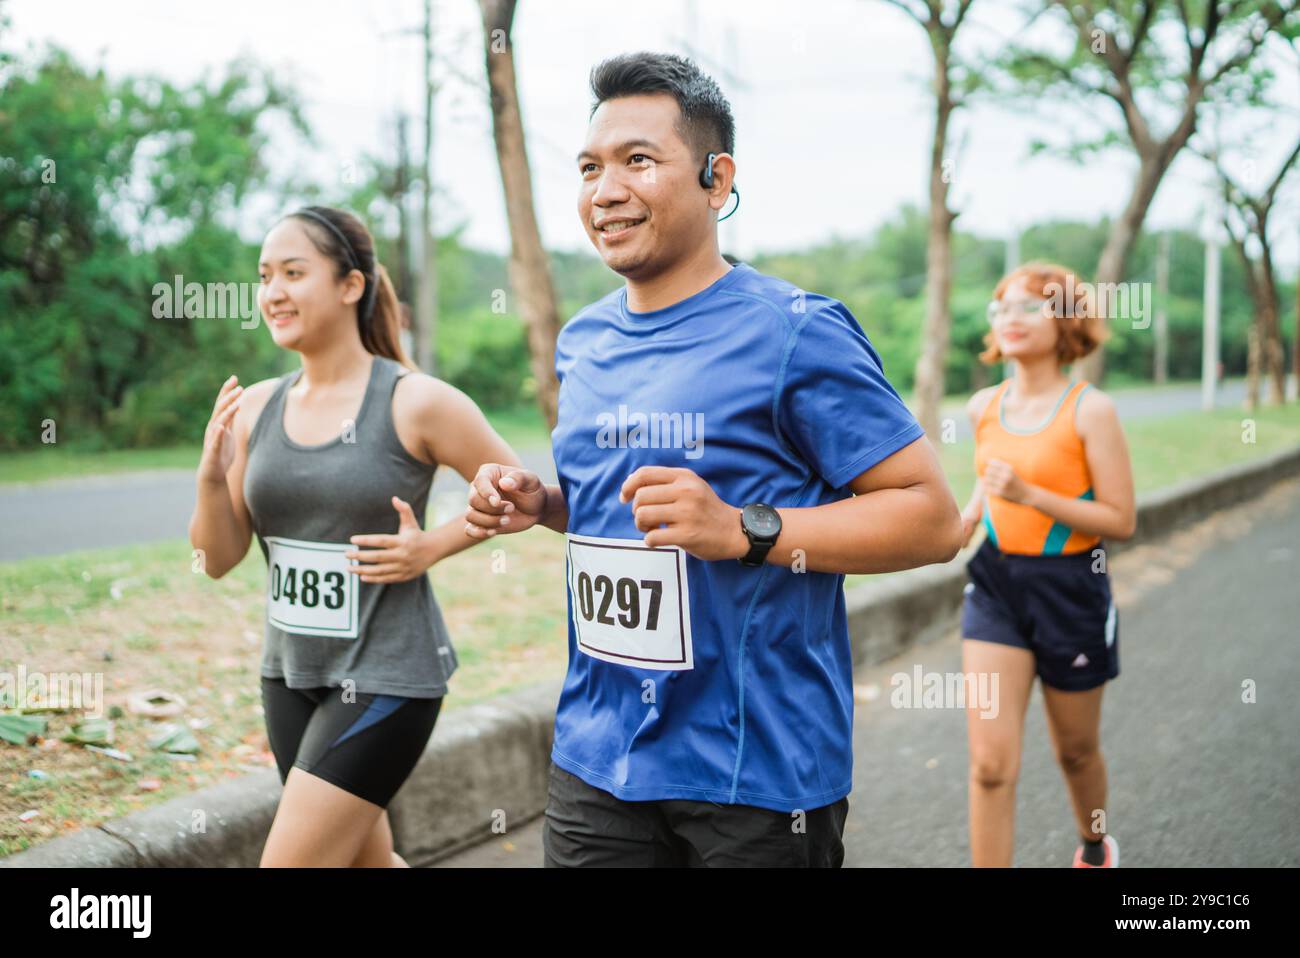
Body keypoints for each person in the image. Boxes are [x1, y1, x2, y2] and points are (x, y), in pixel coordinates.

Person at [464, 52, 963, 867]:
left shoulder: (795, 331)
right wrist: (546, 505)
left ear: (714, 176)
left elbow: (932, 521)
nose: (606, 190)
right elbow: (628, 519)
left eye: (638, 160)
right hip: (597, 759)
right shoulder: (582, 341)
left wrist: (743, 529)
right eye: (590, 167)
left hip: (754, 777)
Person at [188, 206, 521, 867]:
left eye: (292, 272)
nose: (273, 292)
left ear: (350, 285)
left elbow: (520, 491)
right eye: (263, 276)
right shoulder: (256, 406)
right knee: (368, 863)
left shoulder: (415, 401)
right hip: (289, 673)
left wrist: (432, 546)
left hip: (387, 676)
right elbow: (217, 559)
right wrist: (208, 476)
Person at [957, 262, 1136, 868]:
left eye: (1029, 306)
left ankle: (1093, 845)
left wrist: (1032, 496)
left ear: (1065, 320)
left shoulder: (1091, 410)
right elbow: (981, 499)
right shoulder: (984, 405)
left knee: (1076, 751)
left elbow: (1121, 519)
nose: (1010, 318)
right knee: (988, 765)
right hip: (995, 587)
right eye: (1000, 307)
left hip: (1070, 588)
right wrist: (952, 528)